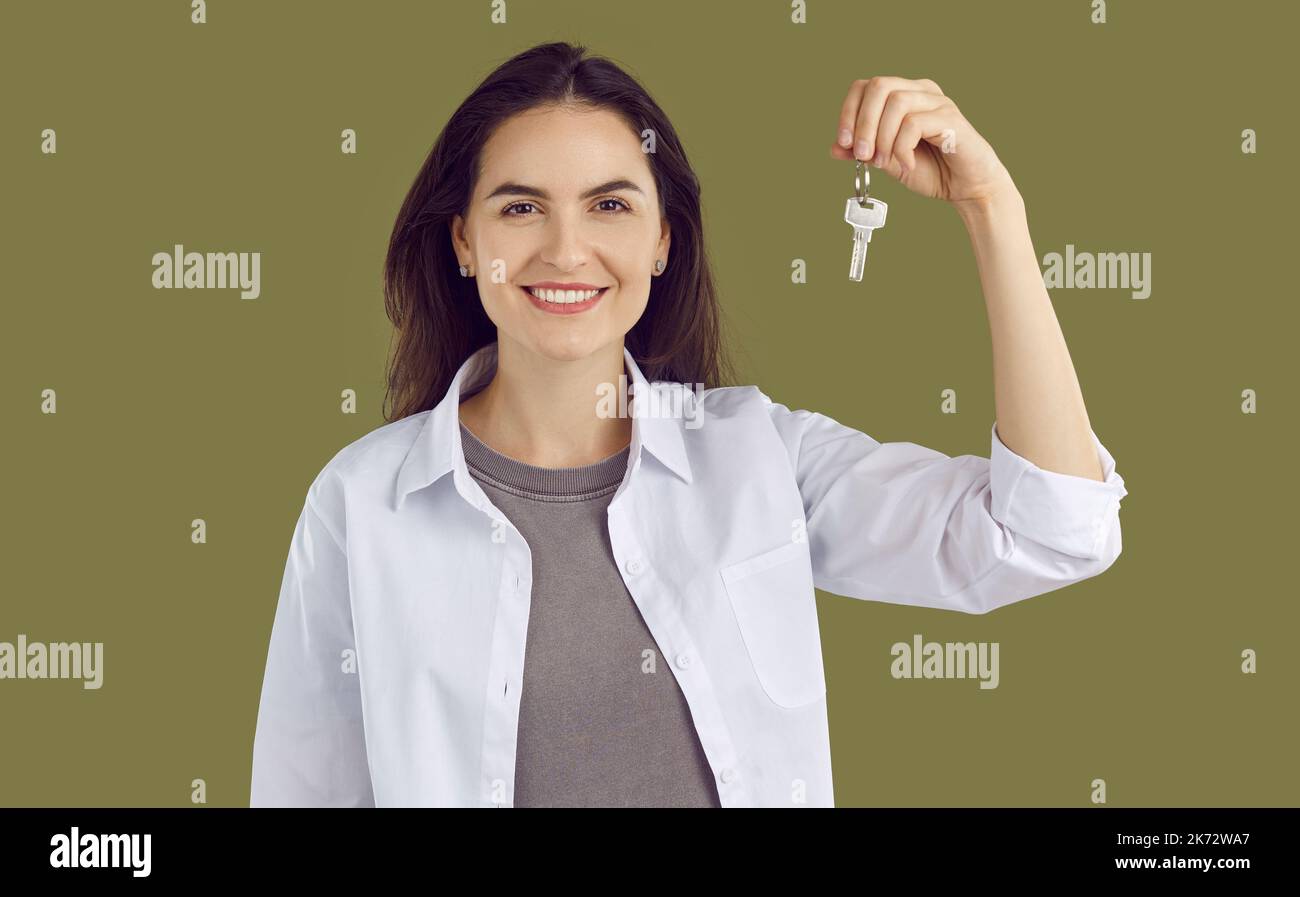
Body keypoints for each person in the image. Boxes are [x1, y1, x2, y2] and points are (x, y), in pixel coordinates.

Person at [250, 42, 1129, 808]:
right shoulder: (361, 505)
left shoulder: (759, 458)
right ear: (464, 242)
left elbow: (1049, 529)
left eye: (610, 205)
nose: (564, 249)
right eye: (520, 207)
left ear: (664, 241)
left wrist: (991, 207)